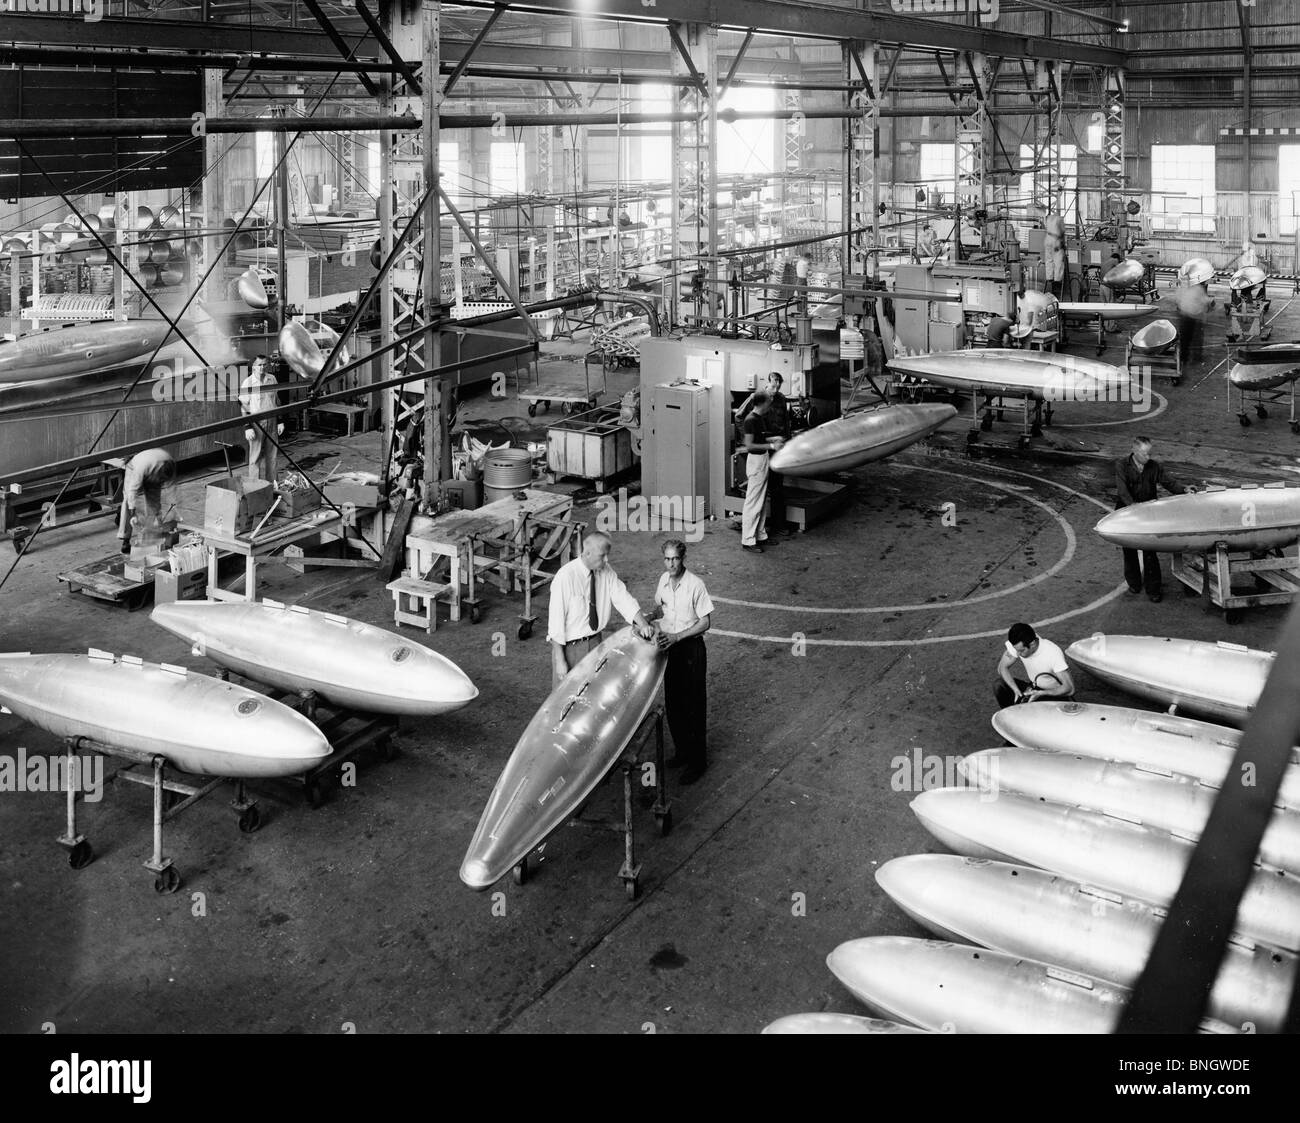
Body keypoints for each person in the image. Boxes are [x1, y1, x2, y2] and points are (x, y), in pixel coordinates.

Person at [546, 530, 656, 688]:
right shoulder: (565, 577)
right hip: (570, 649)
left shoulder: (606, 571)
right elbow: (555, 624)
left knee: (591, 693)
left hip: (596, 642)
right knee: (566, 698)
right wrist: (560, 660)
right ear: (587, 553)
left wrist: (643, 623)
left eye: (607, 555)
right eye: (602, 555)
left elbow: (623, 598)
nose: (606, 559)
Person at [649, 539, 714, 786]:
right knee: (674, 704)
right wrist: (648, 616)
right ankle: (682, 752)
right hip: (670, 650)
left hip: (690, 648)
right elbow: (660, 608)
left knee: (694, 706)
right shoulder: (663, 581)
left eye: (675, 558)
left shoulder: (695, 585)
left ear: (683, 558)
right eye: (667, 559)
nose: (671, 563)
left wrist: (677, 636)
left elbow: (705, 622)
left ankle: (698, 763)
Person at [1115, 435, 1191, 601]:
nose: (1148, 457)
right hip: (1127, 512)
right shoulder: (1121, 465)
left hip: (1147, 513)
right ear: (1134, 451)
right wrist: (1134, 507)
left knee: (1150, 551)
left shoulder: (1153, 466)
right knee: (1129, 551)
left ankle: (1153, 590)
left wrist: (1184, 490)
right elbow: (1122, 491)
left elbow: (1169, 483)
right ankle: (1134, 583)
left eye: (1149, 454)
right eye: (1144, 454)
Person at [737, 373, 792, 532]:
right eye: (773, 386)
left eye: (778, 386)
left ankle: (777, 525)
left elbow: (786, 421)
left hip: (775, 447)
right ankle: (750, 532)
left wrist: (786, 439)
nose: (775, 390)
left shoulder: (781, 399)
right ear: (767, 384)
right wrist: (748, 442)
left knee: (776, 487)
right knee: (757, 492)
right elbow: (740, 417)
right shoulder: (758, 399)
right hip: (762, 449)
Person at [739, 392, 784, 553]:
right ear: (762, 404)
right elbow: (750, 446)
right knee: (753, 502)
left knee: (762, 500)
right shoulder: (751, 420)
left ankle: (760, 535)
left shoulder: (759, 419)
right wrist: (771, 447)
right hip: (756, 462)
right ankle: (748, 540)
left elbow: (759, 439)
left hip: (763, 459)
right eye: (768, 402)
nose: (770, 405)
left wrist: (772, 440)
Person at [995, 622, 1075, 709]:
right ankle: (1009, 717)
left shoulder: (1052, 653)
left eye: (1021, 651)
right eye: (1016, 650)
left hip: (1053, 694)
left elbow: (1070, 689)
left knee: (1035, 709)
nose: (1018, 653)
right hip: (1034, 689)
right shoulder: (1019, 644)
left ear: (1032, 644)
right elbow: (1001, 668)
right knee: (999, 685)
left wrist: (1042, 693)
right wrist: (1016, 690)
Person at [118, 448, 177, 554]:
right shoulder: (139, 470)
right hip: (136, 466)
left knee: (154, 502)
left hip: (155, 467)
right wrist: (133, 513)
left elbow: (172, 488)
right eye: (161, 480)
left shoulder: (171, 465)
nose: (161, 483)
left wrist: (173, 510)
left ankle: (153, 533)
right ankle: (125, 539)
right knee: (127, 499)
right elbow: (132, 491)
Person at [238, 355, 283, 482]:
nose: (262, 367)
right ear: (254, 367)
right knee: (255, 457)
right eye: (259, 365)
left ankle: (273, 487)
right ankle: (255, 488)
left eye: (264, 364)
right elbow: (243, 406)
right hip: (256, 423)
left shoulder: (272, 379)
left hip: (272, 420)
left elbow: (277, 400)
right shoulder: (248, 382)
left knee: (272, 456)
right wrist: (247, 427)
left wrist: (280, 421)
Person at [1174, 279, 1214, 365]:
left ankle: (1183, 358)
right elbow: (1205, 301)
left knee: (1184, 339)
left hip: (1184, 315)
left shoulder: (1184, 286)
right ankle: (1195, 358)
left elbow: (1178, 300)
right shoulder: (1198, 289)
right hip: (1194, 317)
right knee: (1196, 339)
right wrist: (1210, 302)